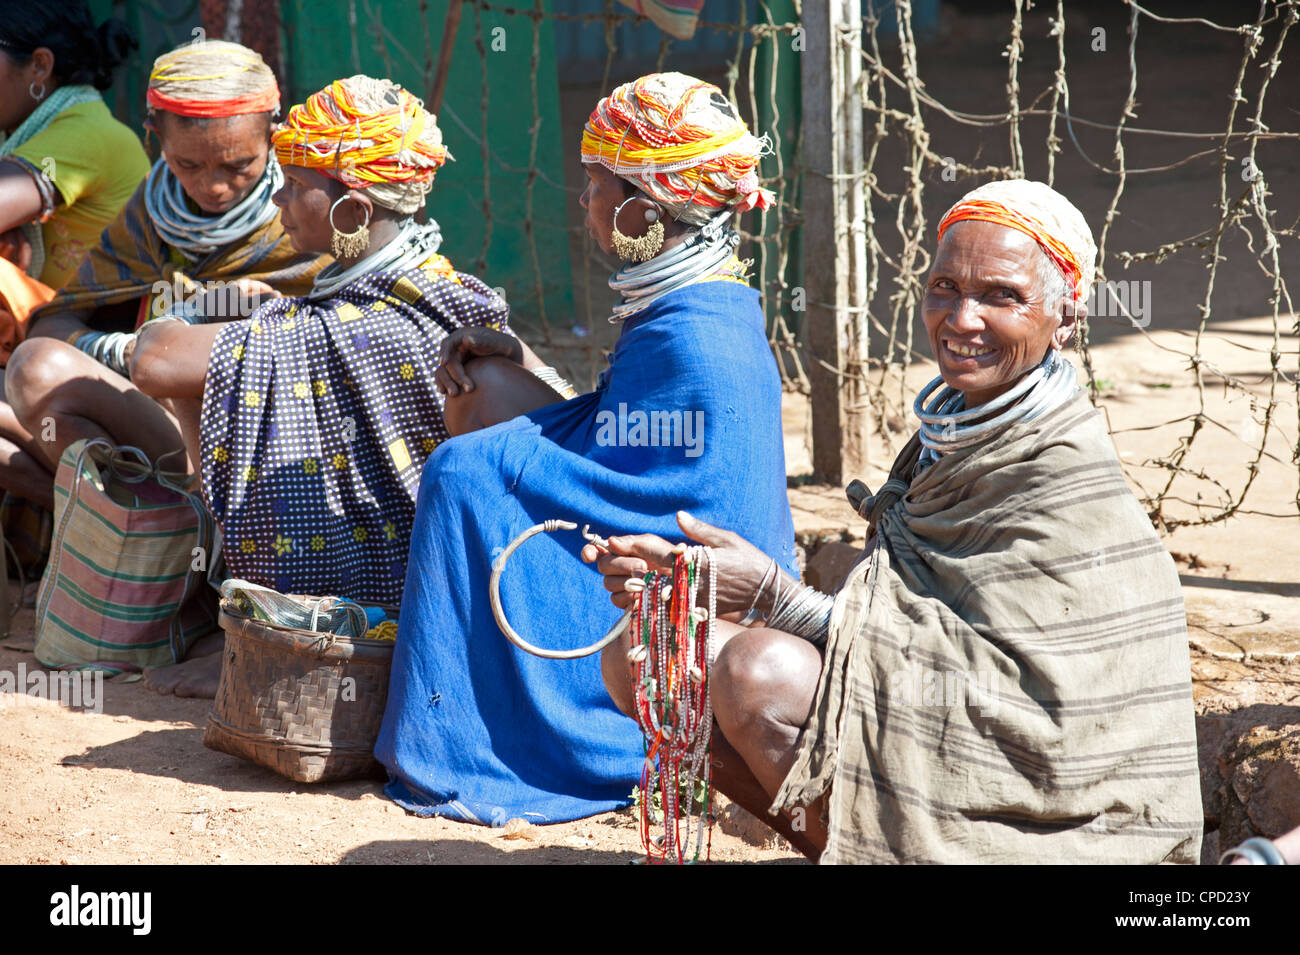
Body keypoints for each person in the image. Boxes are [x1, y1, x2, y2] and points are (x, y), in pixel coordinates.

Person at [586, 179, 1204, 864]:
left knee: (759, 669)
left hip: (1056, 791)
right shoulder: (952, 434)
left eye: (1002, 296)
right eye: (945, 288)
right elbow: (913, 619)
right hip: (940, 719)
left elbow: (1020, 697)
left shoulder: (1063, 474)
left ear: (1066, 316)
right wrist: (695, 581)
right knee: (649, 650)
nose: (962, 319)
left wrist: (774, 598)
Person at [375, 72, 798, 825]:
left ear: (642, 207)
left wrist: (493, 462)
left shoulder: (699, 337)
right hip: (644, 494)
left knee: (460, 473)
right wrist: (525, 367)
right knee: (489, 391)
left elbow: (681, 498)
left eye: (596, 186)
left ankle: (493, 742)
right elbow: (623, 431)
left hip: (689, 562)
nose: (583, 202)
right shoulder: (694, 299)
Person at [128, 75, 510, 699]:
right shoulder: (449, 296)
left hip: (376, 613)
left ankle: (268, 638)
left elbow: (154, 359)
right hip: (446, 598)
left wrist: (213, 306)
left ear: (353, 212)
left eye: (297, 187)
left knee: (224, 375)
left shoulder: (342, 327)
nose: (278, 200)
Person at [2, 39, 326, 511]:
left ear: (273, 134)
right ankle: (137, 524)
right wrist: (131, 350)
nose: (212, 186)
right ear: (154, 135)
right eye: (188, 164)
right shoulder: (148, 215)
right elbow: (56, 322)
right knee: (35, 367)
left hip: (269, 444)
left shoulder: (306, 217)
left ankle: (147, 527)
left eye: (238, 165)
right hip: (157, 425)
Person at [0, 1, 148, 509]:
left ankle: (111, 518)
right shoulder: (33, 134)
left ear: (39, 66)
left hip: (99, 369)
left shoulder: (86, 132)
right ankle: (87, 520)